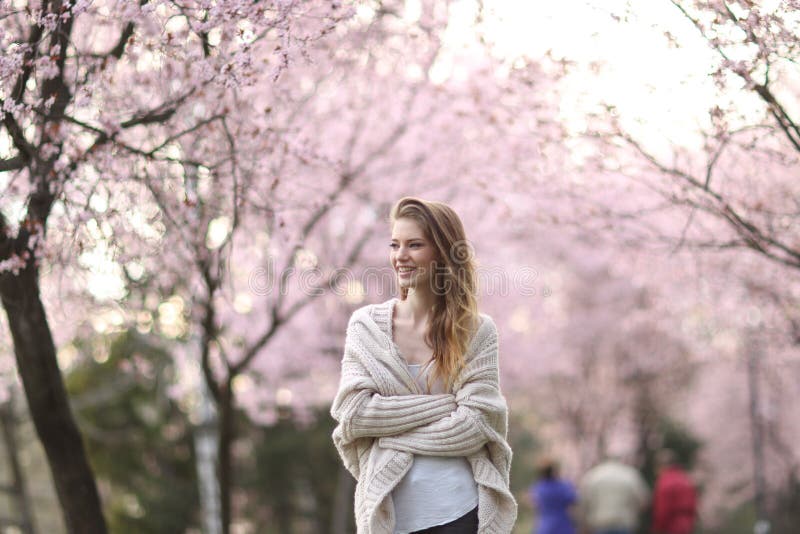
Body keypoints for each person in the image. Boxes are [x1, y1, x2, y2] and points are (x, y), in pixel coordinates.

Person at [330, 197, 517, 533]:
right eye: (395, 244)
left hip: (458, 512)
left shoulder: (476, 331)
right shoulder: (366, 327)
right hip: (388, 512)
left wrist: (387, 434)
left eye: (414, 245)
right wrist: (446, 405)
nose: (400, 256)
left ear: (443, 252)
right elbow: (354, 414)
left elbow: (474, 425)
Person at [578, 456, 649, 534]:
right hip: (624, 523)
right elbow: (644, 501)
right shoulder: (630, 475)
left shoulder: (593, 475)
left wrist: (585, 522)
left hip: (600, 524)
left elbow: (583, 502)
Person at [651, 450, 697, 534]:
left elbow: (663, 509)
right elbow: (693, 505)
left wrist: (657, 528)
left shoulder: (665, 481)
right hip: (686, 525)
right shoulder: (685, 479)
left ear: (662, 466)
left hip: (670, 526)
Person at [529, 457, 577, 534]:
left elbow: (534, 503)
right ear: (554, 471)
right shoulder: (563, 486)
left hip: (543, 527)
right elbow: (574, 499)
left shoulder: (538, 488)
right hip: (562, 526)